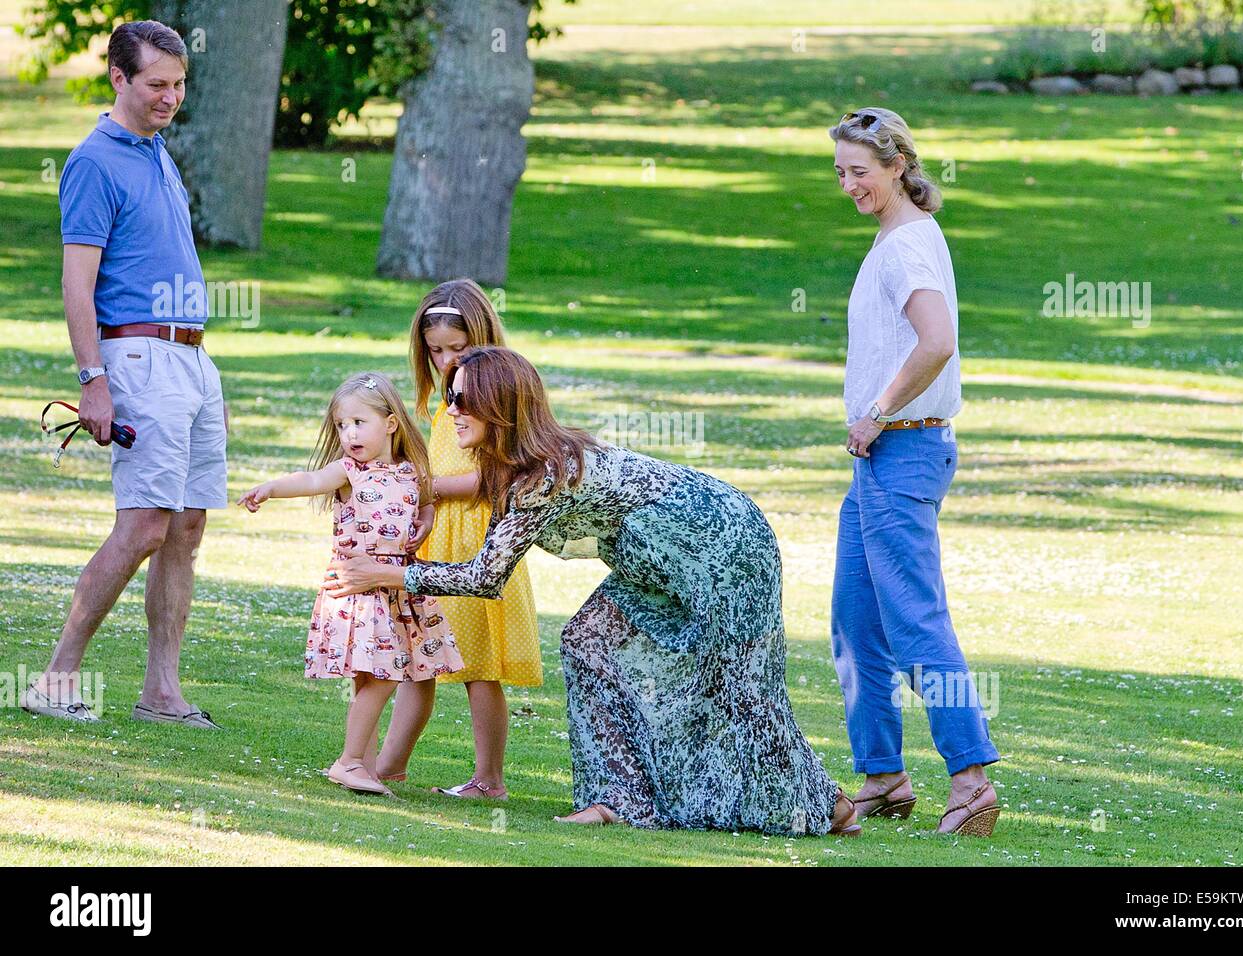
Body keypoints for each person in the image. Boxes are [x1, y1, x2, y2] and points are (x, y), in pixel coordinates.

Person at [325, 346, 861, 836]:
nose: (453, 409)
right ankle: (616, 799)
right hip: (660, 560)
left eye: (465, 399)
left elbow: (485, 578)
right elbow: (481, 535)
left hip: (723, 545)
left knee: (737, 684)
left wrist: (390, 575)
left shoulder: (543, 474)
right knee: (586, 640)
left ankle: (823, 802)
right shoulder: (518, 469)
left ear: (502, 407)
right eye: (450, 395)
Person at [21, 21, 226, 728]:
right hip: (138, 357)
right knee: (143, 526)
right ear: (118, 78)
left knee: (186, 528)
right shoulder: (94, 161)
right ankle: (53, 679)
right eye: (156, 85)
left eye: (178, 85)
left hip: (194, 359)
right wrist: (93, 379)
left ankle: (161, 692)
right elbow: (78, 283)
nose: (171, 97)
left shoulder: (156, 149)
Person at [829, 107, 1001, 836]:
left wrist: (877, 409)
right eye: (839, 173)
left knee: (913, 617)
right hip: (882, 456)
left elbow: (937, 341)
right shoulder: (897, 239)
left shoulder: (907, 249)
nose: (848, 186)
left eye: (859, 172)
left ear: (898, 166)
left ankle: (970, 780)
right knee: (854, 618)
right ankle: (884, 775)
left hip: (903, 447)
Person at [238, 372, 463, 797]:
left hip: (399, 586)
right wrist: (270, 488)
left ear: (391, 423)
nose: (348, 434)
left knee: (371, 679)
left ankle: (365, 765)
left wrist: (426, 520)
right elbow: (309, 481)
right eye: (342, 425)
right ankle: (349, 762)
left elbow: (428, 500)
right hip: (360, 589)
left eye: (359, 423)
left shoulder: (412, 471)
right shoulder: (348, 471)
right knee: (380, 676)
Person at [370, 279, 541, 800]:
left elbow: (491, 479)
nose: (445, 360)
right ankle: (387, 767)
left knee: (476, 667)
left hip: (476, 545)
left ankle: (489, 779)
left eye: (457, 350)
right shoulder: (445, 403)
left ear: (482, 338)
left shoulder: (493, 396)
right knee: (418, 656)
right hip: (436, 542)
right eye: (435, 350)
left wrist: (426, 487)